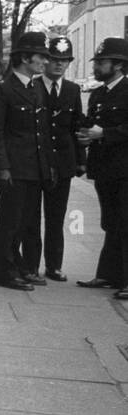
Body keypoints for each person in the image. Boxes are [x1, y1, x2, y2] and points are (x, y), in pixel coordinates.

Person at [0, 31, 54, 291]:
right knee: (10, 223)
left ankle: (18, 266)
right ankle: (4, 271)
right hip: (13, 170)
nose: (45, 62)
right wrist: (1, 168)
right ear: (25, 58)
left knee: (26, 222)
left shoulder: (35, 88)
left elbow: (41, 132)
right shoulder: (3, 90)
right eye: (41, 57)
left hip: (34, 169)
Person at [77, 37, 128, 298]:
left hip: (124, 169)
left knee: (125, 222)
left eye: (101, 62)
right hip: (104, 169)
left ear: (118, 65)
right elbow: (90, 123)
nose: (96, 66)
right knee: (111, 222)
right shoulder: (98, 93)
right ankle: (109, 275)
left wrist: (104, 133)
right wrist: (84, 133)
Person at [33, 35, 85, 282]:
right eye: (54, 60)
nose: (58, 65)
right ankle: (30, 265)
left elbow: (77, 127)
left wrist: (80, 161)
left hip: (63, 164)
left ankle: (53, 265)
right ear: (45, 61)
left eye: (63, 61)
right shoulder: (32, 87)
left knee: (56, 217)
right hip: (36, 163)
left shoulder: (73, 90)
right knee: (31, 218)